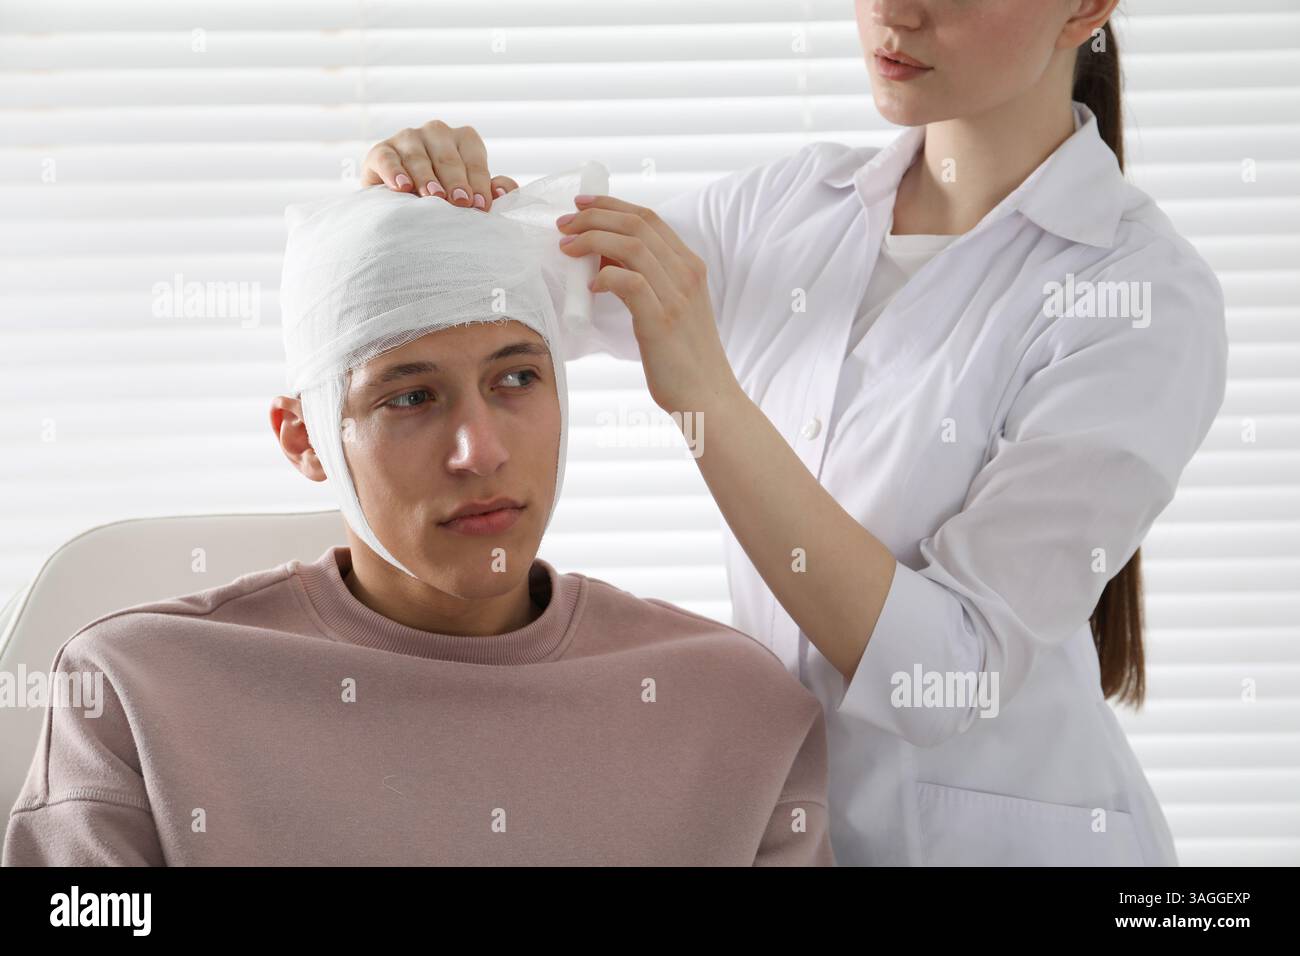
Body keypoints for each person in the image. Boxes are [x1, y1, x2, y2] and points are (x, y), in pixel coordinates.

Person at [358, 0, 1227, 865]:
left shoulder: (1137, 294)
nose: (892, 11)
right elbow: (493, 288)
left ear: (1086, 10)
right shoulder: (787, 208)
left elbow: (949, 673)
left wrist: (706, 394)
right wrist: (409, 196)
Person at [1, 179, 834, 867]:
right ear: (306, 439)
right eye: (409, 397)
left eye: (516, 380)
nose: (480, 451)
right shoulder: (135, 694)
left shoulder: (735, 711)